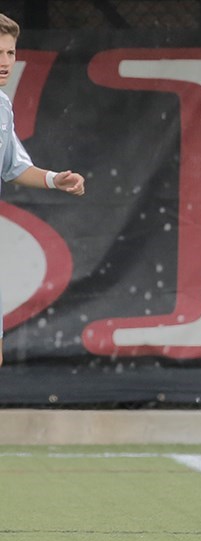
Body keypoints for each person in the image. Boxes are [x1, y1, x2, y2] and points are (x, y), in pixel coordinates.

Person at [0, 12, 85, 368]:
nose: (5, 61)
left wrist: (54, 179)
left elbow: (13, 166)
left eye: (10, 52)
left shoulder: (2, 106)